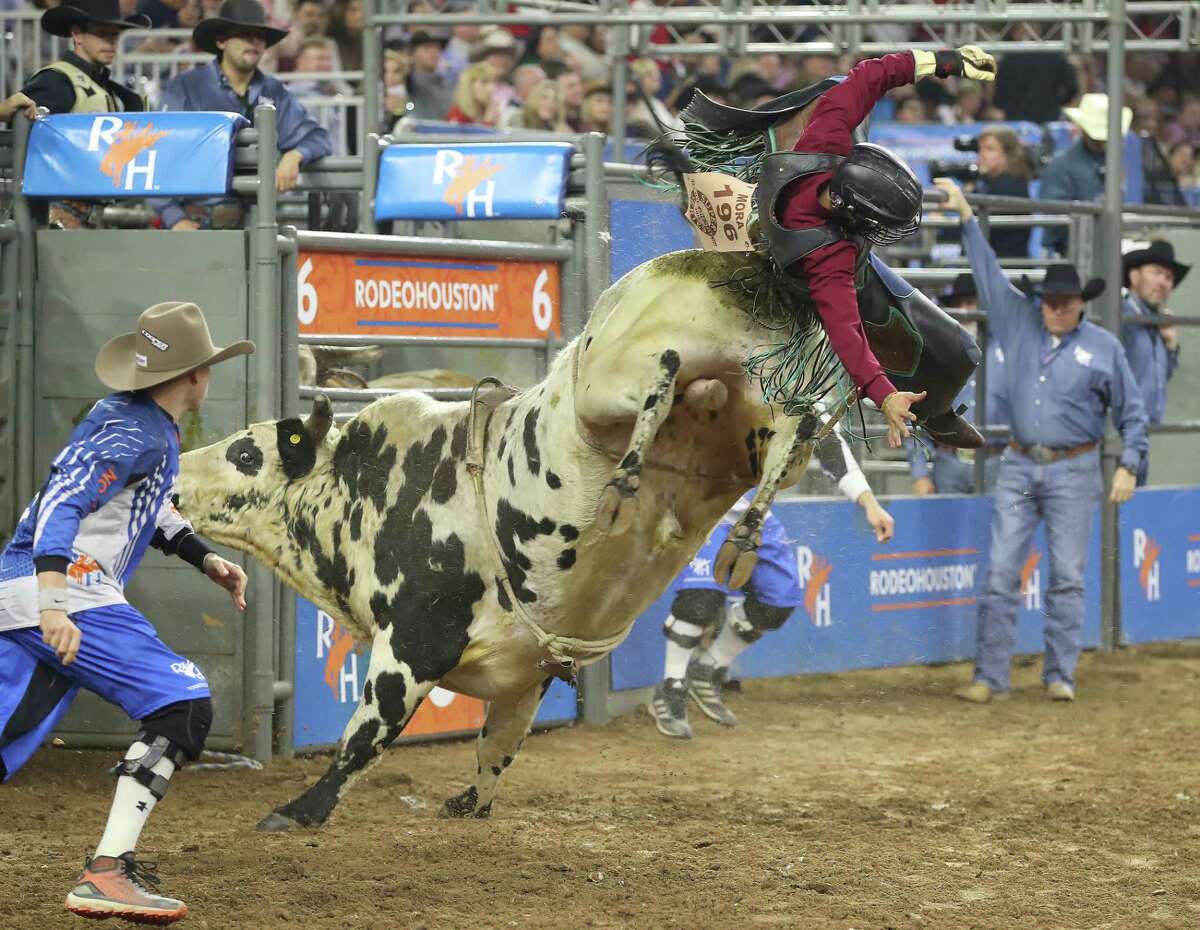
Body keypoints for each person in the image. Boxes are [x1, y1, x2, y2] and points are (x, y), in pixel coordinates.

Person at [0, 301, 252, 923]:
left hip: (29, 588)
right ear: (196, 375)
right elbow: (62, 502)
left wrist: (203, 557)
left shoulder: (132, 421)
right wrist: (56, 602)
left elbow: (146, 505)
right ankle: (106, 871)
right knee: (183, 702)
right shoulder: (137, 431)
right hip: (65, 588)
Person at [935, 178, 1149, 704]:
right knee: (1003, 571)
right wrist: (966, 218)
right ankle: (993, 676)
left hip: (1072, 468)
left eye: (1065, 301)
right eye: (1051, 301)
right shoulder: (1023, 323)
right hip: (1023, 462)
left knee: (1067, 576)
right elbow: (987, 275)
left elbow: (1133, 412)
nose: (1056, 308)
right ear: (1045, 302)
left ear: (1080, 303)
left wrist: (1131, 462)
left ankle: (1057, 673)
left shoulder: (1102, 348)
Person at [764, 47, 998, 448]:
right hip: (808, 273)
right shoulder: (829, 256)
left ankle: (936, 411)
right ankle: (935, 413)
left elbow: (871, 75)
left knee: (951, 343)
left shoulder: (828, 135)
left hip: (778, 204)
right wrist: (884, 393)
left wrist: (947, 61)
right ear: (852, 213)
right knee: (955, 347)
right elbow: (846, 331)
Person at [649, 424, 895, 739]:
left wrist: (868, 503)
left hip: (755, 515)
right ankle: (671, 688)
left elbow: (829, 443)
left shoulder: (795, 389)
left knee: (778, 602)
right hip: (702, 510)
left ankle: (706, 669)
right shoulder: (718, 378)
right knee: (700, 600)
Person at [153, 0, 333, 230]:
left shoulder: (273, 91)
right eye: (244, 34)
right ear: (221, 41)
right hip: (195, 222)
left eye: (259, 36)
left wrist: (295, 155)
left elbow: (318, 137)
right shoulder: (186, 87)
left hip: (254, 223)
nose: (254, 41)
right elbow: (157, 151)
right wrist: (175, 218)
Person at [19, 0, 150, 229]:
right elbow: (25, 135)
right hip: (56, 211)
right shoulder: (57, 80)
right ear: (77, 35)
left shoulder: (104, 88)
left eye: (114, 35)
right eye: (101, 34)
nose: (110, 42)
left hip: (88, 209)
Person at [908, 273, 1009, 495]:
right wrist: (920, 474)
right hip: (949, 462)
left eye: (971, 302)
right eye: (958, 304)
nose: (965, 310)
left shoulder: (1007, 352)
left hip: (997, 463)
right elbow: (914, 414)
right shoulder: (935, 355)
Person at [1121, 239, 1188, 484]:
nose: (1164, 283)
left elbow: (1157, 378)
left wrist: (1170, 345)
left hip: (1138, 437)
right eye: (1156, 273)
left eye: (1169, 277)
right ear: (1134, 275)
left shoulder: (1155, 324)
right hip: (1117, 436)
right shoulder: (1122, 317)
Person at [1038, 94, 1132, 255]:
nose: (1102, 143)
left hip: (1107, 245)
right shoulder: (1061, 165)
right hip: (1068, 249)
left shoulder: (1113, 162)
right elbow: (1053, 215)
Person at [992, 22, 1079, 123]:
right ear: (1038, 32)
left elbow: (998, 96)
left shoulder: (1006, 61)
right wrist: (1057, 103)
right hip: (1047, 117)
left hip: (1016, 119)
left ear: (1015, 34)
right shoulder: (1055, 56)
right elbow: (1072, 87)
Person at [973, 126, 1033, 259]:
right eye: (980, 149)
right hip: (989, 260)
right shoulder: (987, 182)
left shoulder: (1011, 186)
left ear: (1008, 154)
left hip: (1005, 263)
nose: (982, 154)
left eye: (990, 149)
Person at [406, 30, 454, 122]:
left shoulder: (448, 84)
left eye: (437, 48)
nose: (434, 52)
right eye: (427, 47)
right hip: (413, 134)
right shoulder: (406, 81)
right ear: (412, 53)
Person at [445, 61, 499, 127]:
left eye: (493, 82)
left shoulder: (488, 110)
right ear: (469, 86)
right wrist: (488, 123)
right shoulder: (457, 114)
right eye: (484, 82)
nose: (492, 88)